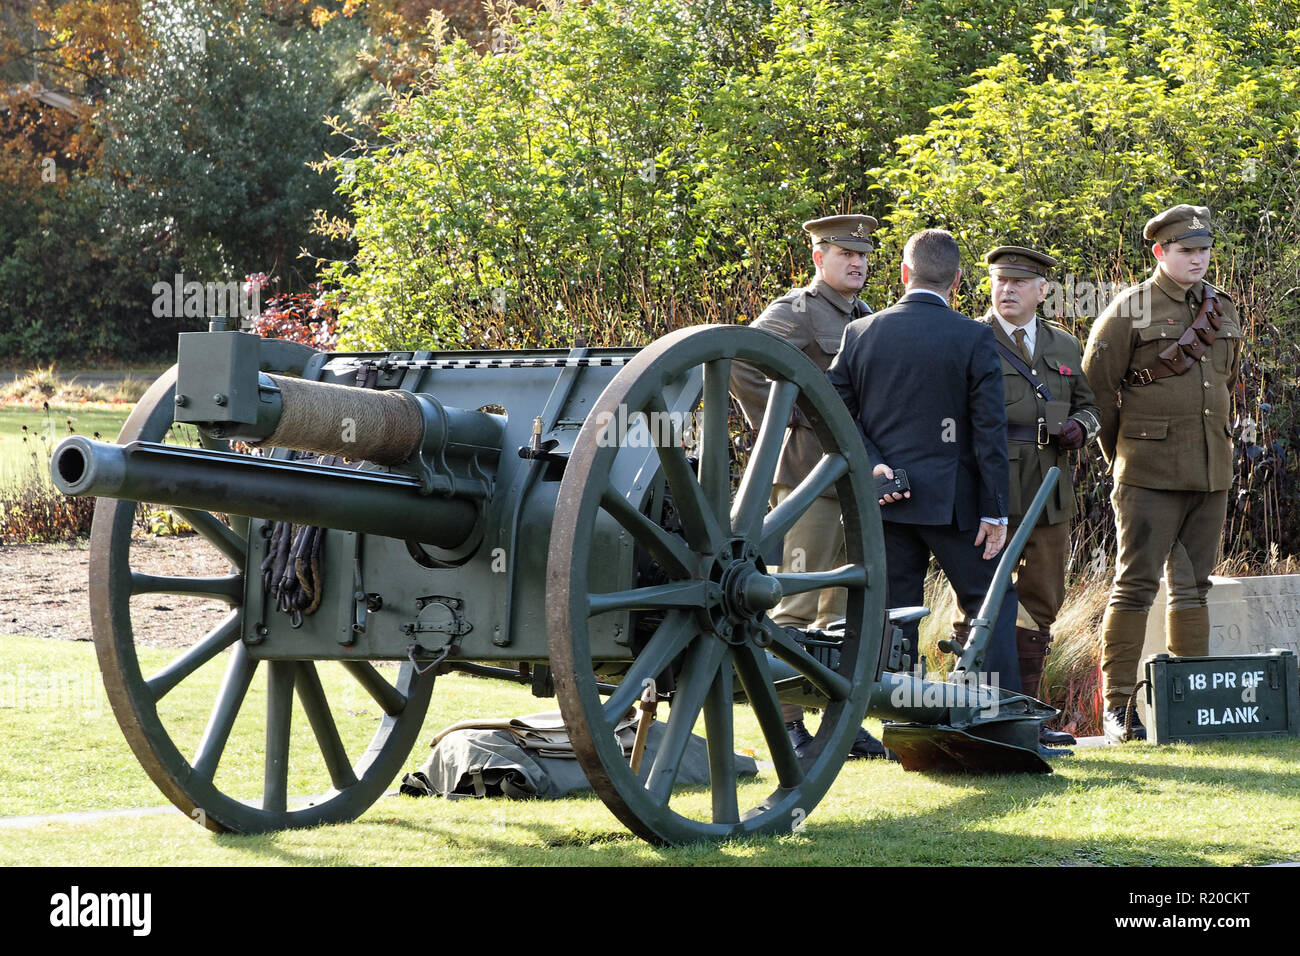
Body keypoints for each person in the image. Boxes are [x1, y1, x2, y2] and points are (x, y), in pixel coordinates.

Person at [827, 229, 1023, 701]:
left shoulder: (860, 332)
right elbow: (989, 433)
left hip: (886, 501)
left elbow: (833, 409)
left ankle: (895, 715)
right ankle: (998, 714)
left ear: (903, 273)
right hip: (954, 505)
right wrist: (996, 511)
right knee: (989, 601)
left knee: (896, 611)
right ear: (957, 280)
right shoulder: (974, 336)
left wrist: (873, 464)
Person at [729, 213, 888, 759]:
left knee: (839, 608)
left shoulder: (865, 315)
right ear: (819, 258)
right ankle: (789, 725)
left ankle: (834, 721)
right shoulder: (793, 311)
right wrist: (789, 419)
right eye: (847, 255)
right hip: (802, 480)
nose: (858, 263)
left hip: (851, 482)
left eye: (864, 256)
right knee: (792, 603)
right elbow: (741, 362)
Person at [1082, 204, 1242, 743]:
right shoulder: (1130, 310)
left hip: (1210, 469)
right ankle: (1119, 710)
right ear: (1160, 252)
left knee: (1194, 587)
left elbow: (1224, 384)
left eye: (1203, 250)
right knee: (1134, 587)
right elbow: (1097, 396)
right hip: (1147, 473)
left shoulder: (1224, 309)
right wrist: (1123, 459)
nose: (1196, 259)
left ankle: (1190, 701)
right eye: (1185, 250)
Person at [949, 245, 1101, 749]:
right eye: (999, 281)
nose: (1007, 290)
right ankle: (970, 709)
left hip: (1049, 488)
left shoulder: (1063, 345)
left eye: (1019, 283)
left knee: (1042, 599)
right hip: (987, 490)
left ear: (1042, 290)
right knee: (979, 598)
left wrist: (1082, 426)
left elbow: (1090, 406)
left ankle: (1026, 716)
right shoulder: (968, 337)